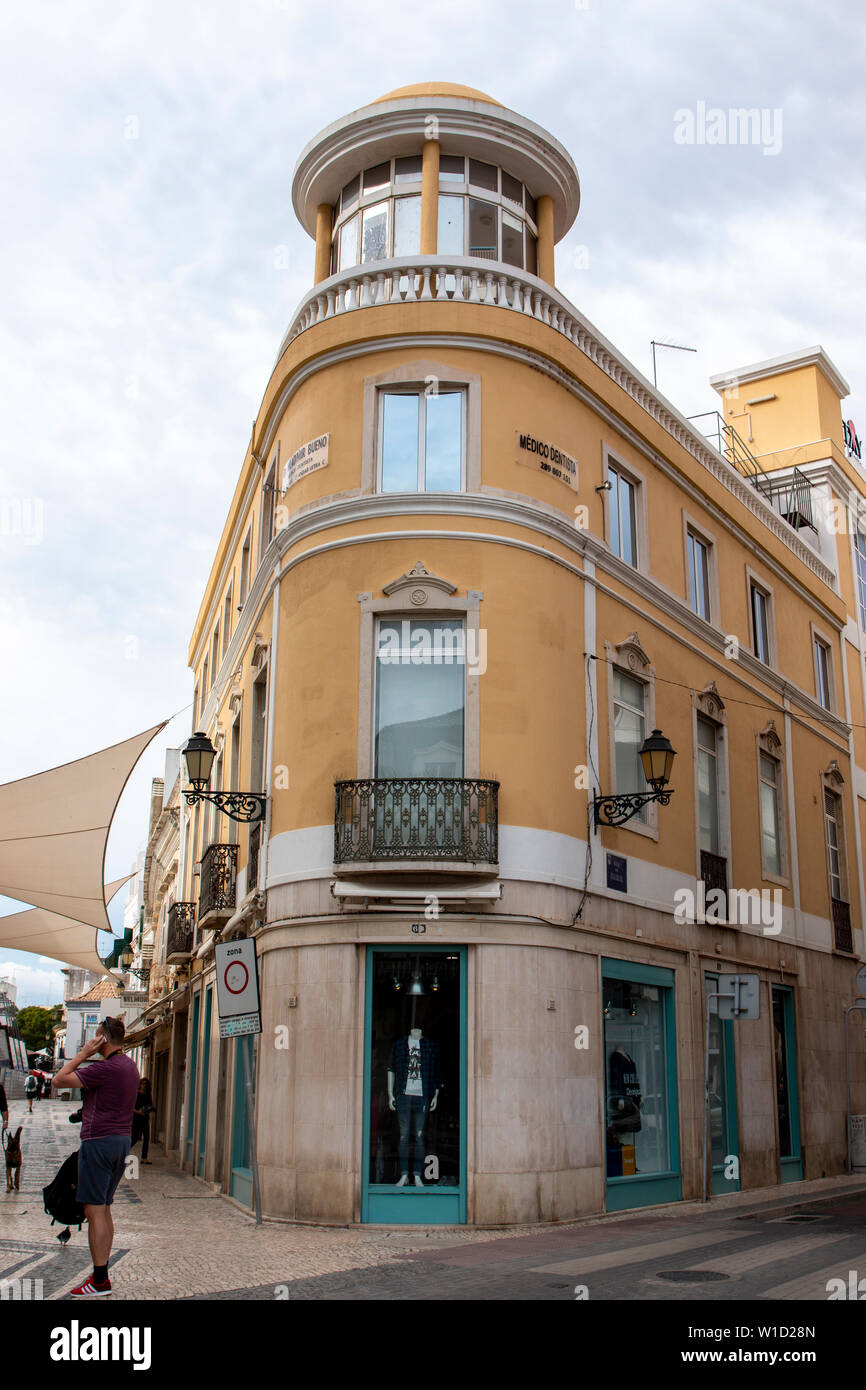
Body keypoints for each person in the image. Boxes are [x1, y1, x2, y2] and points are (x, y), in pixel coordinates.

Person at [51, 1017, 140, 1297]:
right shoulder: (130, 1066)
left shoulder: (105, 1069)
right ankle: (101, 1274)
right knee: (104, 1207)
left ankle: (100, 1280)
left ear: (103, 1038)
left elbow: (58, 1080)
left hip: (99, 1142)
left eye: (96, 1035)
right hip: (121, 1141)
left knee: (94, 1210)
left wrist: (83, 1054)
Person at [131, 1078, 153, 1163]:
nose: (144, 1085)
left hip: (145, 1118)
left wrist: (147, 1110)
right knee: (135, 1137)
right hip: (136, 1118)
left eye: (146, 1084)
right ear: (140, 1084)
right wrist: (138, 1112)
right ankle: (123, 1152)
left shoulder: (148, 1094)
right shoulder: (135, 1094)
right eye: (143, 1083)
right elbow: (131, 1107)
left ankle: (144, 1158)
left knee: (146, 1138)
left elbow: (150, 1105)